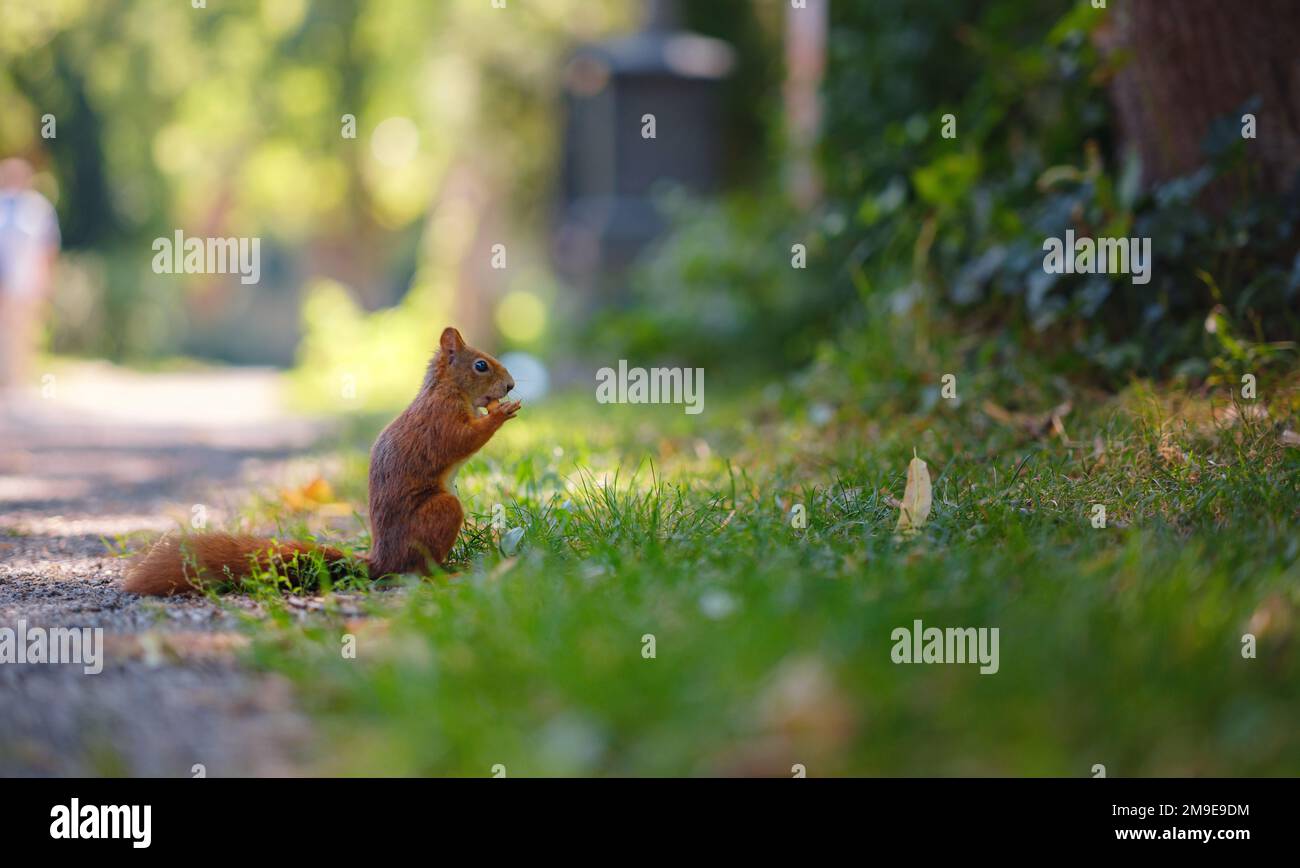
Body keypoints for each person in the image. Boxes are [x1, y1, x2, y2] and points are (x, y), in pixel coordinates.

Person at [0, 157, 61, 398]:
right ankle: (8, 379)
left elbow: (48, 247)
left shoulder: (39, 208)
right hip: (5, 281)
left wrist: (47, 281)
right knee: (5, 330)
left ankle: (20, 380)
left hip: (28, 281)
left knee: (25, 331)